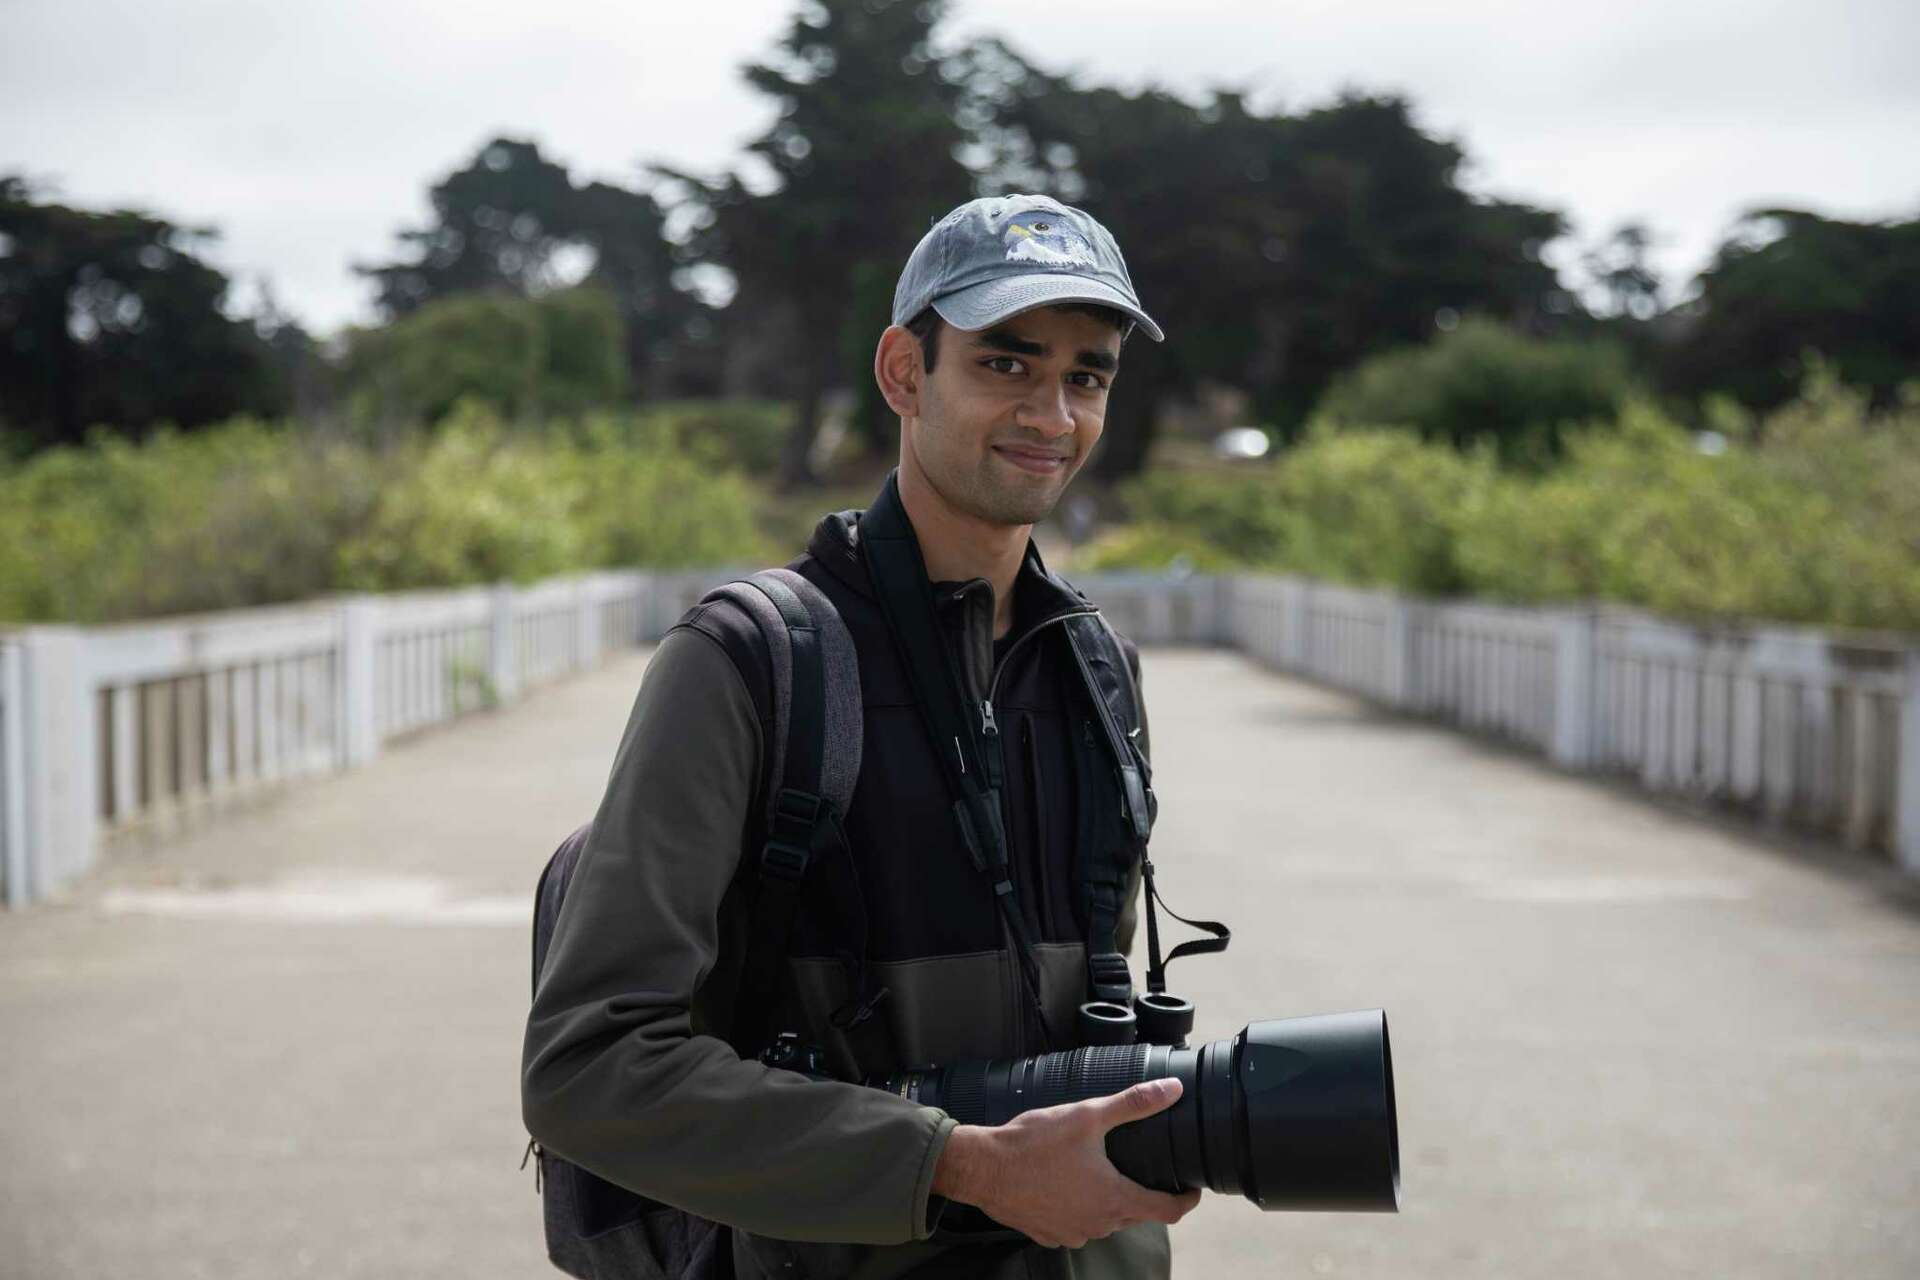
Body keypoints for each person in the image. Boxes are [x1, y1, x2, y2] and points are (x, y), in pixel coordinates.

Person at [522, 194, 1199, 1280]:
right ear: (903, 373)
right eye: (1006, 364)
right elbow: (589, 1065)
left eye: (1088, 375)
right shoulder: (750, 662)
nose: (1053, 413)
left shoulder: (1095, 670)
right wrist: (958, 1163)